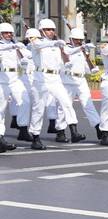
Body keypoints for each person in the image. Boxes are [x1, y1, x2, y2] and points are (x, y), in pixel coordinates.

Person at [28, 19, 80, 148]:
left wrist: (81, 47)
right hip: (41, 78)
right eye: (47, 30)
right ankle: (35, 137)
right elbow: (37, 45)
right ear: (41, 31)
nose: (51, 32)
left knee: (67, 103)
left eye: (52, 30)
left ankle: (74, 131)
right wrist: (54, 43)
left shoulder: (56, 45)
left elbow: (68, 52)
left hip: (55, 79)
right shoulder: (36, 42)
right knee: (38, 110)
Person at [57, 28, 100, 143]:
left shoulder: (81, 51)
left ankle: (98, 128)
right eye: (76, 40)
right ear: (71, 39)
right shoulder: (64, 48)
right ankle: (60, 131)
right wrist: (80, 48)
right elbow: (67, 53)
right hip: (67, 80)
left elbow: (86, 69)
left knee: (88, 105)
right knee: (64, 107)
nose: (78, 42)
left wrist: (91, 65)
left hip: (80, 81)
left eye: (80, 40)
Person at [0, 22, 31, 150]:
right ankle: (0, 137)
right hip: (2, 79)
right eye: (6, 33)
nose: (8, 35)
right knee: (1, 110)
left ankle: (23, 129)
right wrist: (12, 47)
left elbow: (29, 54)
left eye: (10, 33)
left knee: (25, 101)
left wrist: (22, 49)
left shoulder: (15, 45)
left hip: (15, 78)